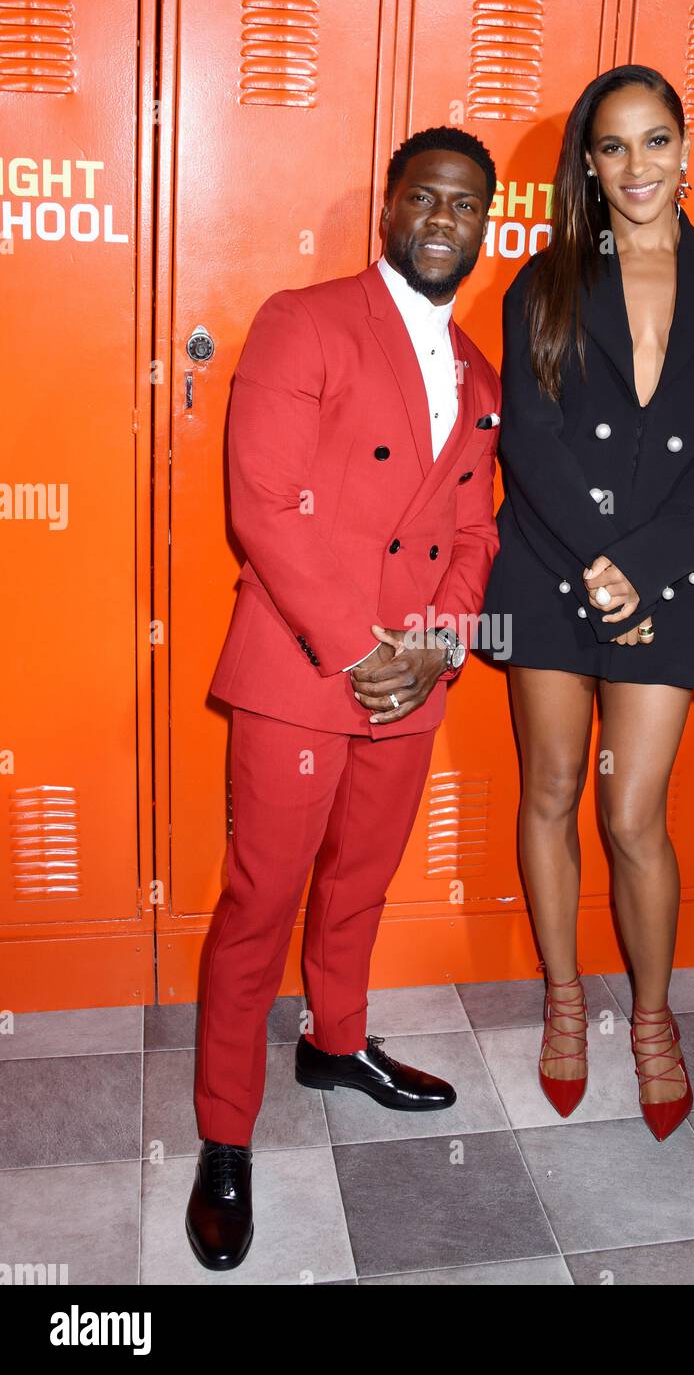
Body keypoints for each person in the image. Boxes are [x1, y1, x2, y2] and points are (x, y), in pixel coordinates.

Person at [187, 126, 501, 1269]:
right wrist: (363, 644)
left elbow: (475, 529)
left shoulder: (479, 370)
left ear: (484, 225)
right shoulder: (303, 319)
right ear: (390, 205)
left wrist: (441, 643)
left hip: (411, 680)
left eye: (466, 206)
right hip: (301, 672)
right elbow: (262, 503)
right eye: (426, 198)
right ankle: (227, 1133)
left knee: (360, 884)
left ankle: (337, 1042)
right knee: (259, 905)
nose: (442, 220)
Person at [477, 65, 694, 1138]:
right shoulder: (546, 281)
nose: (637, 167)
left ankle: (655, 1017)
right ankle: (565, 999)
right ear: (588, 163)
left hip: (672, 577)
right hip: (551, 567)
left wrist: (643, 571)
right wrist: (601, 566)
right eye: (613, 147)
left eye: (656, 142)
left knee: (631, 813)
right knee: (552, 787)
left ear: (687, 149)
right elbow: (529, 437)